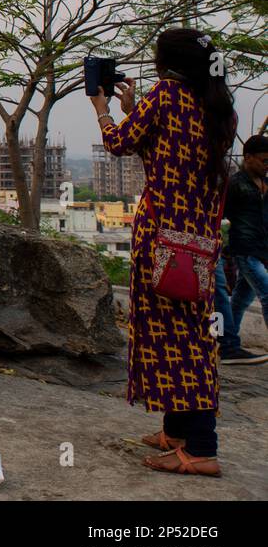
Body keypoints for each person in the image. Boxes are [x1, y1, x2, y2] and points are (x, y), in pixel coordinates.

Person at [92, 28, 236, 477]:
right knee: (185, 332)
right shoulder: (214, 107)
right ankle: (176, 432)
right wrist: (135, 109)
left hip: (162, 238)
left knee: (181, 341)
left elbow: (118, 143)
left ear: (165, 62)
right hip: (198, 240)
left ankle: (201, 448)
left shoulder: (167, 94)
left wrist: (103, 111)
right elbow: (170, 152)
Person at [215, 134, 268, 364]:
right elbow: (218, 214)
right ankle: (226, 344)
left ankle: (227, 344)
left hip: (261, 249)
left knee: (239, 299)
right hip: (244, 249)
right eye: (264, 160)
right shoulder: (235, 184)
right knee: (267, 293)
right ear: (248, 158)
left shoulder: (266, 184)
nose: (267, 165)